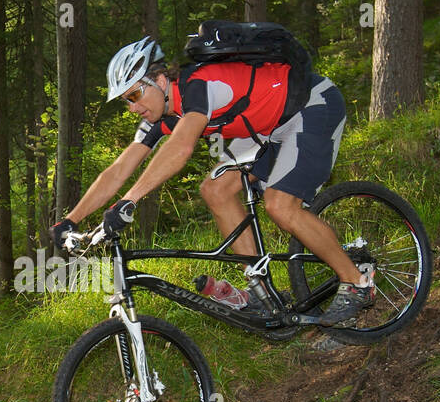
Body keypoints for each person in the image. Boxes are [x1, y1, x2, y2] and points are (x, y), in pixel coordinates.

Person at [50, 35, 373, 325]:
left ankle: (357, 283)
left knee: (280, 205)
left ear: (161, 80)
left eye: (135, 94)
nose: (133, 107)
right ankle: (260, 289)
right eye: (126, 100)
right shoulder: (161, 116)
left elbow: (181, 147)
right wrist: (70, 220)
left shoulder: (198, 86)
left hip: (309, 105)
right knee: (215, 190)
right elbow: (118, 169)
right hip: (263, 127)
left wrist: (129, 202)